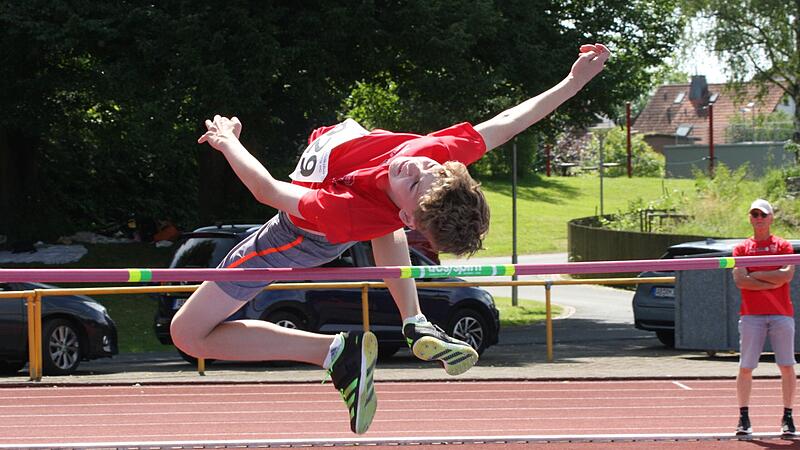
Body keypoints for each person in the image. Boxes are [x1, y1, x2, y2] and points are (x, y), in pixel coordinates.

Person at [170, 43, 610, 434]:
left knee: (188, 334)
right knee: (381, 222)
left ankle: (332, 352)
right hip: (364, 203)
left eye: (417, 183)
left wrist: (227, 141)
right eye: (430, 170)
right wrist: (572, 82)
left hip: (296, 236)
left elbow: (267, 191)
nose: (415, 168)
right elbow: (510, 122)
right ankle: (413, 319)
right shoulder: (437, 157)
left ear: (407, 209)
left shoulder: (343, 210)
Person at [732, 199, 796, 436]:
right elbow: (740, 281)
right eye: (755, 214)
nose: (759, 218)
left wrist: (756, 274)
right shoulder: (741, 249)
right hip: (751, 315)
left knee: (787, 366)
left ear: (771, 218)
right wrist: (771, 277)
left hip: (782, 314)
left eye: (763, 214)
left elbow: (786, 276)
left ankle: (788, 416)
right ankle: (743, 416)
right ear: (750, 218)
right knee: (746, 367)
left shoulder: (783, 246)